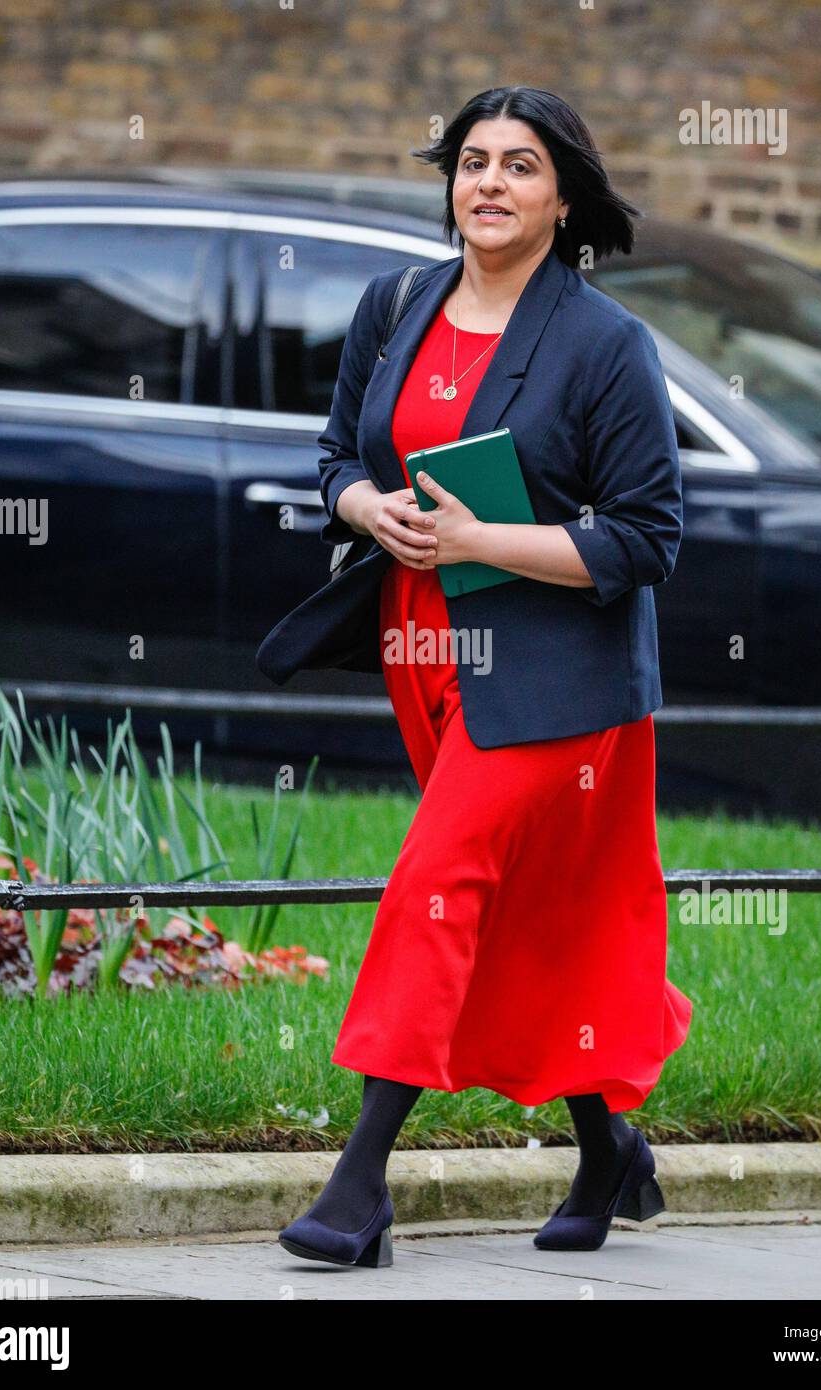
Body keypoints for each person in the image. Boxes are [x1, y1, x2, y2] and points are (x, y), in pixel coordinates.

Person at [264, 86, 693, 1269]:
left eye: (518, 166)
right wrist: (368, 507)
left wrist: (479, 543)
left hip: (560, 671)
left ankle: (358, 1186)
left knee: (438, 880)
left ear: (563, 200)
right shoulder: (396, 302)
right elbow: (338, 454)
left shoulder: (605, 344)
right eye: (470, 162)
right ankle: (610, 1147)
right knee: (525, 908)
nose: (487, 183)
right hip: (425, 647)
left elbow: (647, 538)